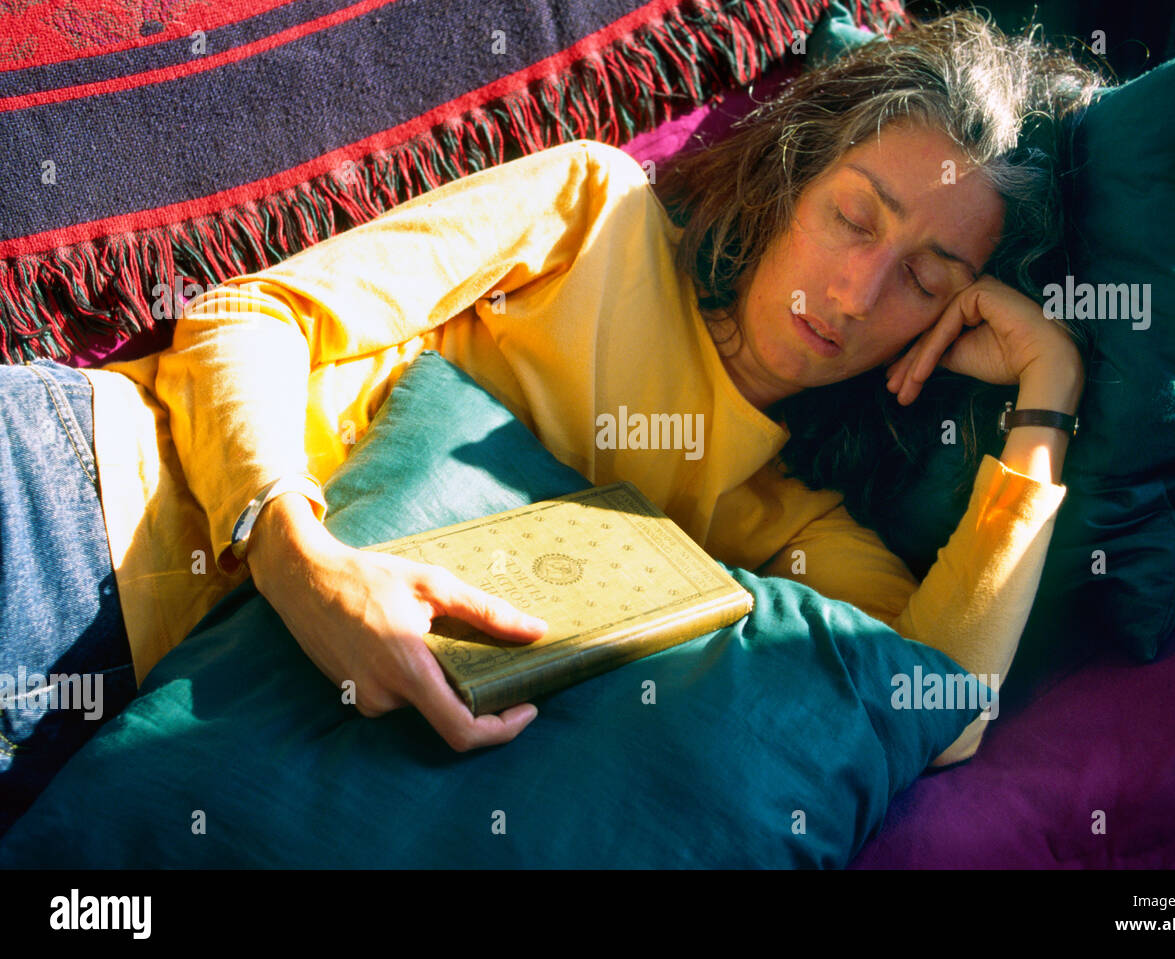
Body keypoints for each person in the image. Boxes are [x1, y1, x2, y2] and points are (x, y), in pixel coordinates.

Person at [0, 10, 1103, 835]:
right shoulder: (594, 212)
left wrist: (1044, 393)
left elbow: (934, 710)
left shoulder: (784, 528)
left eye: (927, 275)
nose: (859, 292)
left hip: (146, 735)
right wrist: (298, 556)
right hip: (75, 499)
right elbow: (250, 318)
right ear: (789, 176)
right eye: (852, 217)